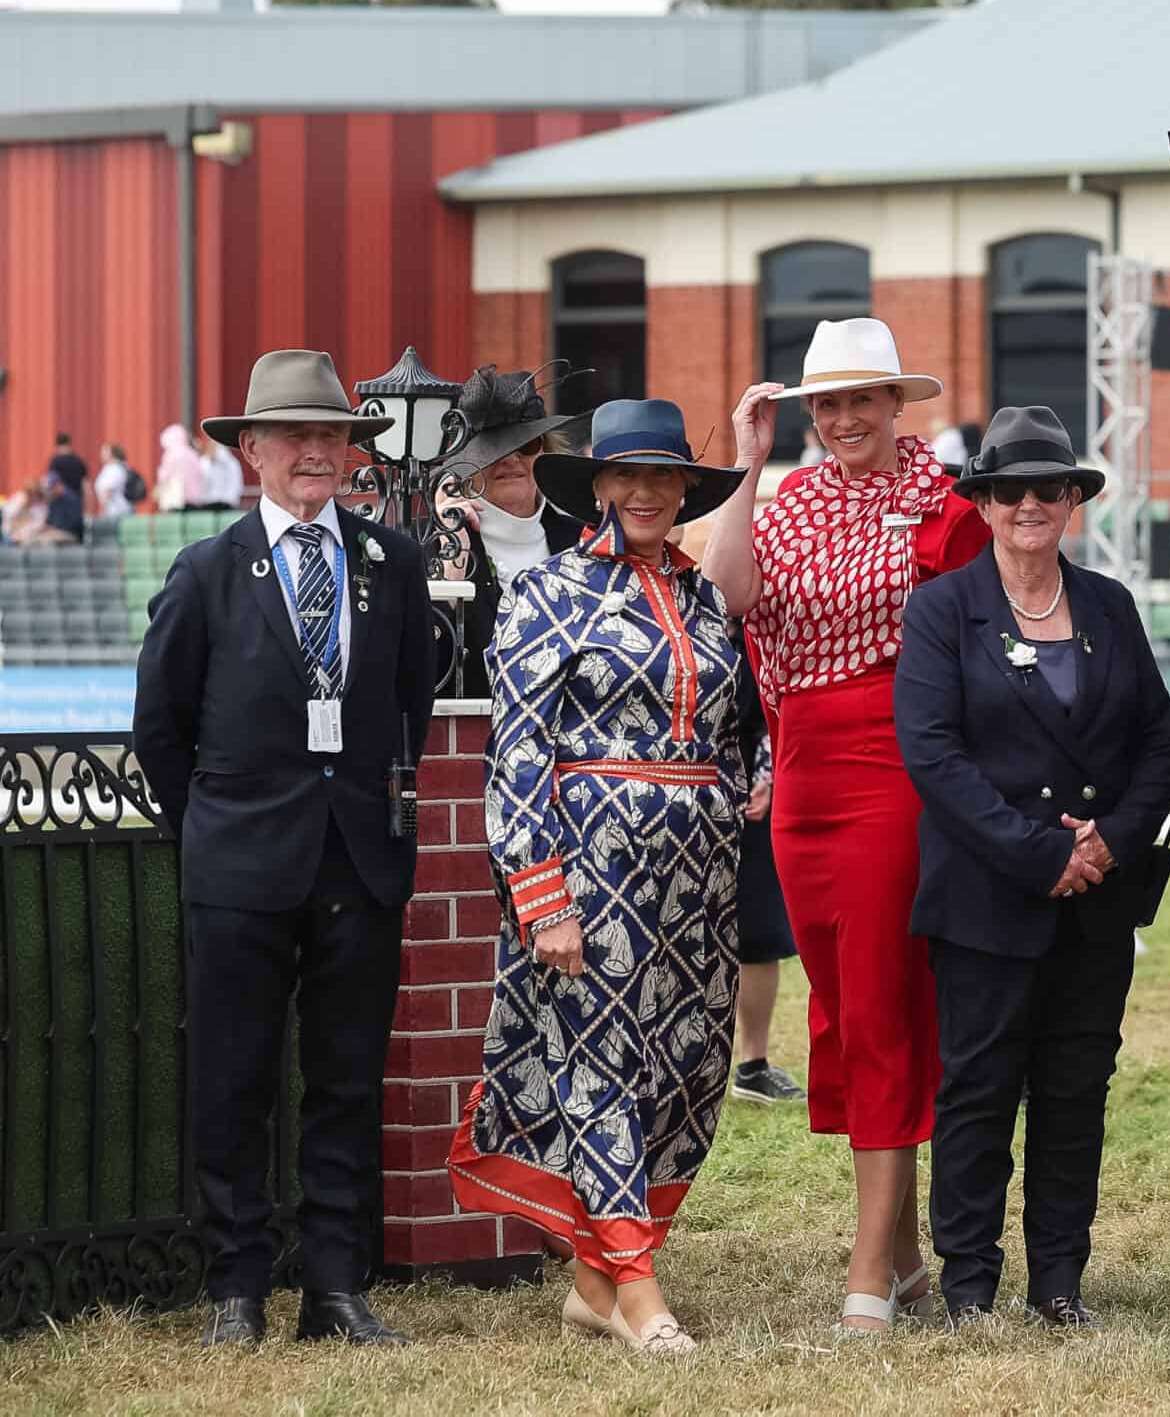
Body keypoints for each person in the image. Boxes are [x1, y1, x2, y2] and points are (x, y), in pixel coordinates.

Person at [131, 350, 433, 1347]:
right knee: (234, 1080)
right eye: (294, 434)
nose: (315, 451)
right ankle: (237, 1288)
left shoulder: (391, 562)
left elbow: (410, 706)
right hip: (239, 866)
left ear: (352, 450)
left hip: (358, 862)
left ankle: (335, 1287)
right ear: (251, 449)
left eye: (331, 434)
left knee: (346, 1081)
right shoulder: (207, 571)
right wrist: (217, 824)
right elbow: (160, 728)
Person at [699, 315, 990, 1332]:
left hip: (898, 764)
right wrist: (748, 464)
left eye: (863, 398)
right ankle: (904, 1259)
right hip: (803, 777)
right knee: (844, 1002)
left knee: (879, 1002)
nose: (845, 418)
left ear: (897, 404)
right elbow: (725, 595)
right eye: (827, 403)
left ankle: (869, 1267)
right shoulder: (787, 502)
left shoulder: (944, 505)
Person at [447, 398, 750, 1354]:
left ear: (684, 488)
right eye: (628, 474)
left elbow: (731, 724)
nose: (647, 491)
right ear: (599, 487)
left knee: (689, 1067)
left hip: (700, 878)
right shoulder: (549, 590)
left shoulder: (705, 599)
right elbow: (516, 752)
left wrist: (749, 780)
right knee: (602, 1063)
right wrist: (541, 896)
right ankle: (640, 1288)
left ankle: (593, 1282)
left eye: (664, 475)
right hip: (593, 867)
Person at [896, 405, 1170, 1327]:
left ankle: (1060, 1281)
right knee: (977, 1092)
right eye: (1010, 489)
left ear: (1071, 500)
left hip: (1095, 904)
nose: (1030, 504)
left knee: (1075, 1092)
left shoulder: (1111, 605)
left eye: (1048, 488)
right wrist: (1042, 853)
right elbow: (933, 754)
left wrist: (1108, 843)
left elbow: (1160, 744)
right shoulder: (942, 610)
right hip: (985, 901)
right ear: (982, 503)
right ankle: (969, 1285)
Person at [437, 364, 590, 696]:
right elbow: (425, 670)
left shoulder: (584, 540)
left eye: (527, 446)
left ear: (546, 452)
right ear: (466, 463)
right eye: (493, 450)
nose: (511, 460)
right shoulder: (430, 543)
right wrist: (452, 559)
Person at [728, 633, 806, 1104]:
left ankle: (753, 1065)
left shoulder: (751, 627)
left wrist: (765, 774)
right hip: (674, 783)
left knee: (758, 930)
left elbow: (772, 705)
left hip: (748, 792)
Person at [44, 432, 88, 541]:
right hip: (77, 506)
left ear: (57, 445)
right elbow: (87, 487)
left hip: (61, 510)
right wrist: (87, 510)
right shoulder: (79, 461)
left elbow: (52, 486)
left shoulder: (55, 462)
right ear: (69, 443)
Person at [153, 422, 204, 513]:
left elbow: (165, 476)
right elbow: (200, 473)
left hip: (175, 500)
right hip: (194, 500)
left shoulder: (171, 454)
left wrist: (159, 489)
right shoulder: (192, 453)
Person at [197, 426, 246, 512]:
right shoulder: (204, 462)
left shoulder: (231, 463)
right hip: (207, 504)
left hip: (226, 504)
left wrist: (230, 500)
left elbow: (236, 484)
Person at [94, 441, 135, 520]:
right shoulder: (123, 466)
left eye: (104, 451)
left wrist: (103, 510)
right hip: (126, 508)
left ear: (112, 453)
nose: (101, 454)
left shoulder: (113, 469)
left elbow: (107, 490)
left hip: (114, 511)